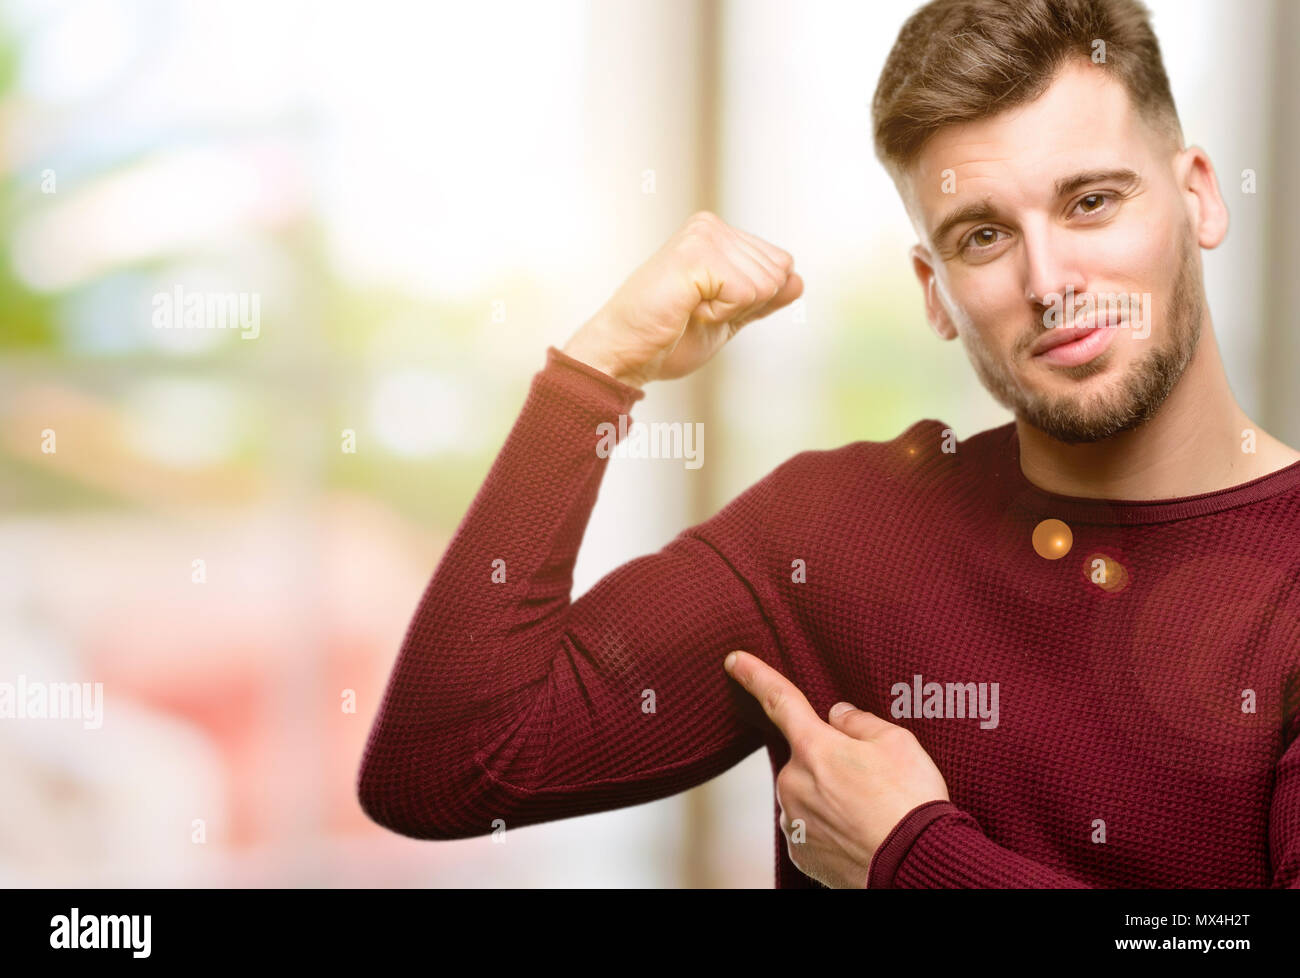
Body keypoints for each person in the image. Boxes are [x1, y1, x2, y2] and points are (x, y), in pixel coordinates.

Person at [357, 0, 1300, 888]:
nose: (1050, 280)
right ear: (935, 292)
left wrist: (913, 858)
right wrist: (599, 368)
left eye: (1092, 201)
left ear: (1200, 198)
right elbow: (443, 768)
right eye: (983, 237)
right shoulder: (837, 533)